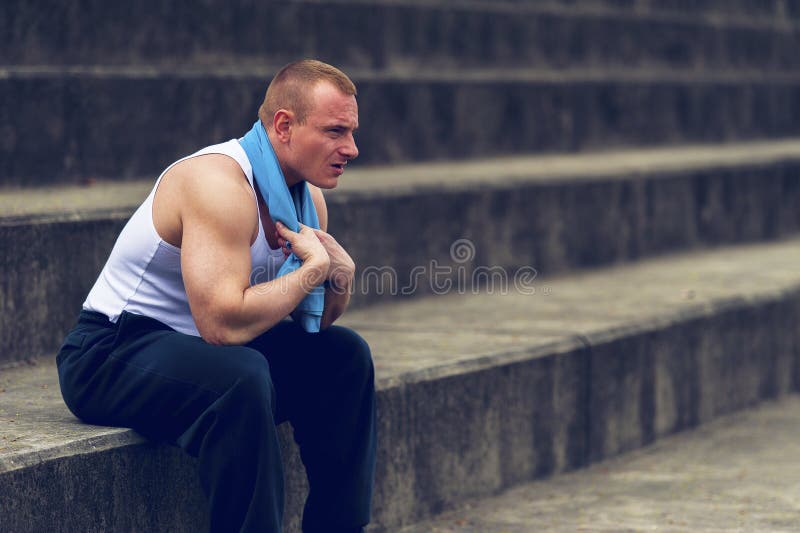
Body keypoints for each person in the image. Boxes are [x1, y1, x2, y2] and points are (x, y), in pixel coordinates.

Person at [55, 59, 376, 533]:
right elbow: (222, 325)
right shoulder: (219, 184)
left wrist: (337, 277)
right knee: (241, 376)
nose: (350, 148)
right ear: (284, 126)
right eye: (335, 131)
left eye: (351, 132)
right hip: (111, 353)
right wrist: (312, 270)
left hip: (199, 352)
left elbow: (313, 322)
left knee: (345, 355)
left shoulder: (308, 200)